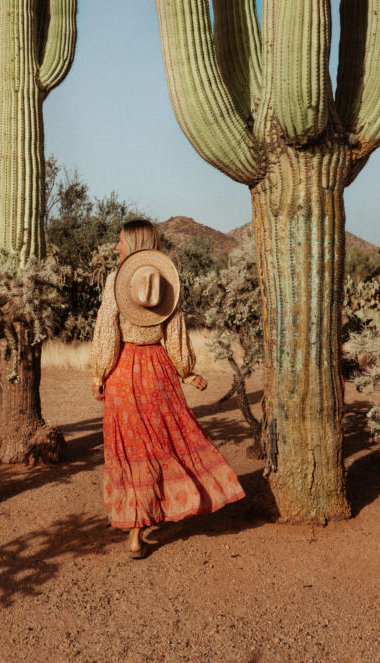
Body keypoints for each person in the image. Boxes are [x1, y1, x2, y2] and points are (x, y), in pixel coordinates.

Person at [91, 218, 245, 558]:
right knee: (162, 443)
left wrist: (99, 373)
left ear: (131, 243)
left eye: (120, 242)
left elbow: (106, 330)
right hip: (158, 372)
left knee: (130, 449)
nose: (116, 247)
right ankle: (143, 517)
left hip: (123, 371)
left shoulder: (116, 280)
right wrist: (186, 371)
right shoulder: (165, 283)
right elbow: (175, 332)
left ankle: (133, 527)